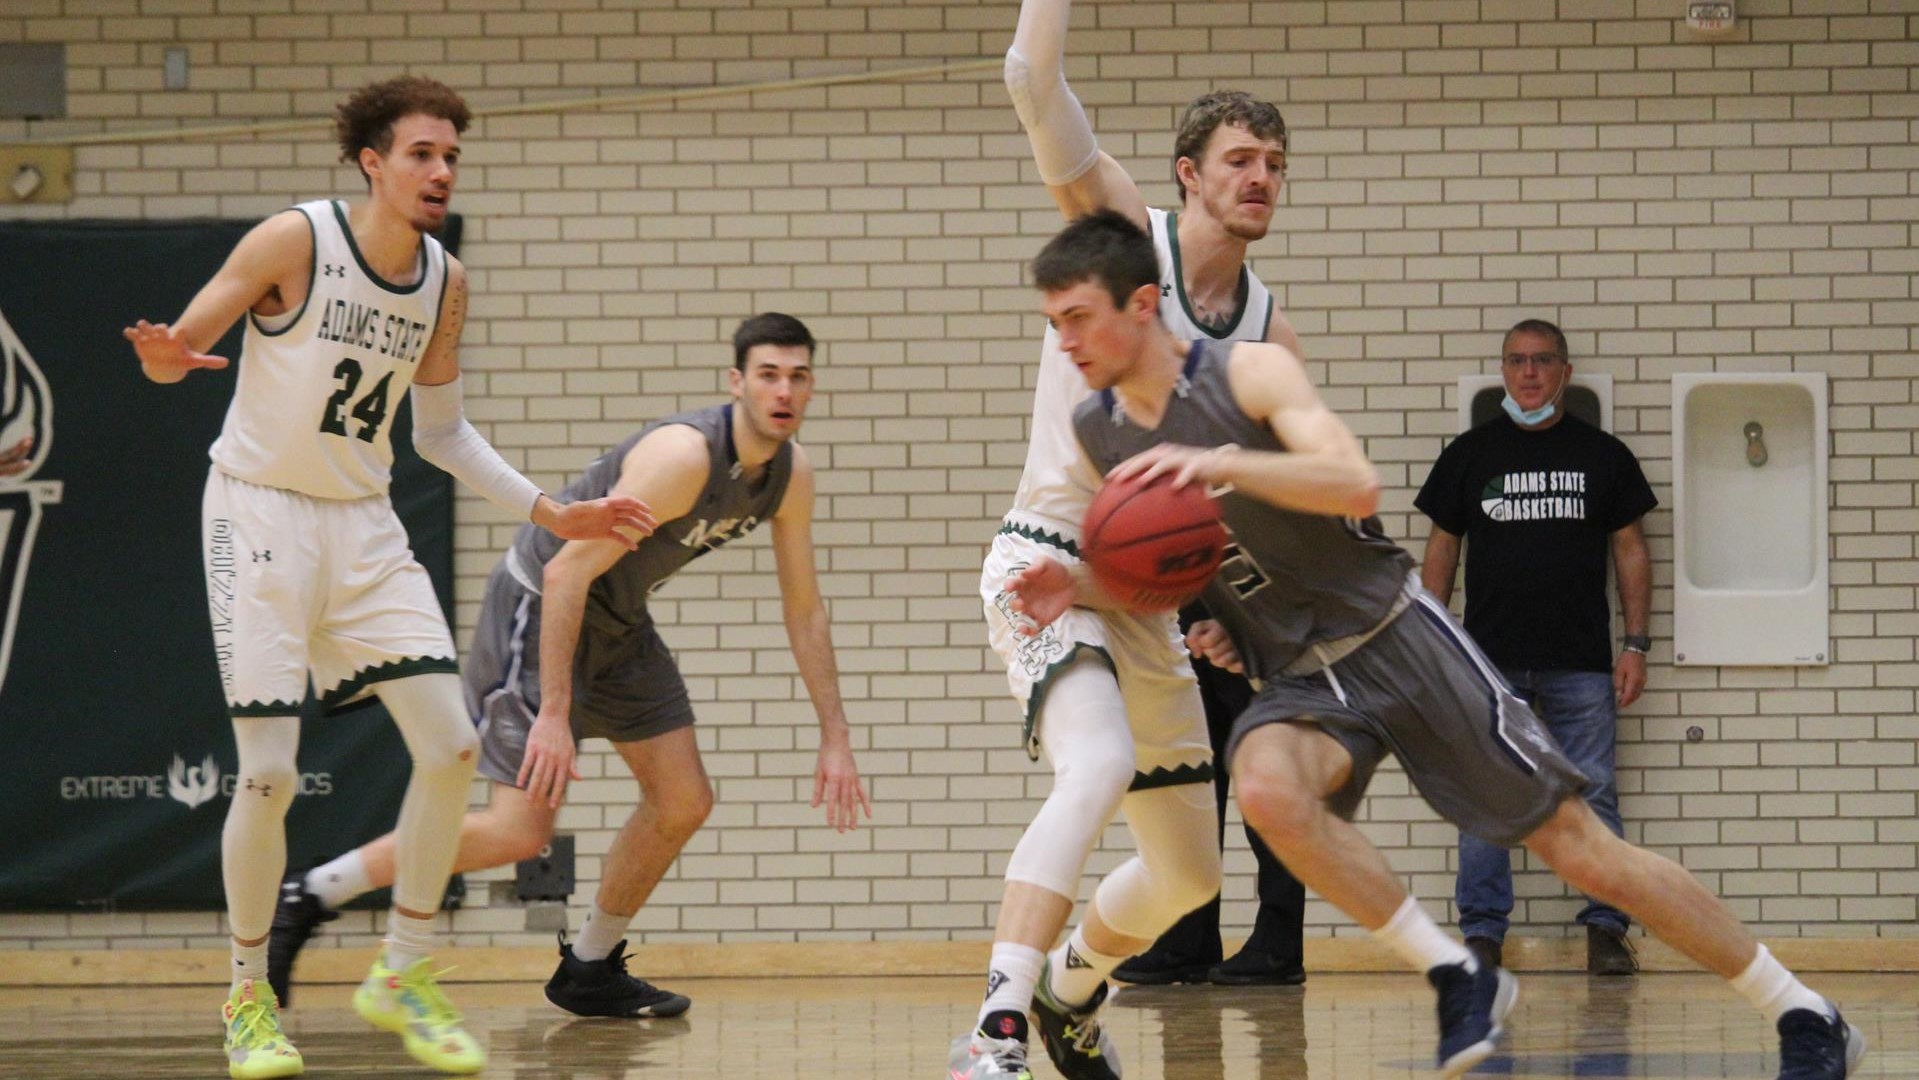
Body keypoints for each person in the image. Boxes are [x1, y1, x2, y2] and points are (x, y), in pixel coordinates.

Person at [1007, 210, 1866, 1080]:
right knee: (1266, 788)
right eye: (1053, 323)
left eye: (1077, 317)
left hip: (1390, 630)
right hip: (1298, 673)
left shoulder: (1249, 371)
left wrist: (1220, 463)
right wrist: (1074, 586)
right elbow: (1157, 565)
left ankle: (1799, 1007)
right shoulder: (1096, 434)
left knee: (1581, 851)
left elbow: (1351, 479)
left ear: (1143, 302)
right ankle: (1455, 972)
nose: (1064, 340)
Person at [124, 76, 650, 1079]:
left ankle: (401, 970)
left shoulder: (445, 281)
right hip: (257, 511)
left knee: (452, 750)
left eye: (451, 155)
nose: (441, 171)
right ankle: (245, 997)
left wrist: (554, 510)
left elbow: (442, 434)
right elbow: (181, 347)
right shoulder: (295, 241)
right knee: (270, 773)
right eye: (421, 154)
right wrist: (164, 359)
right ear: (373, 161)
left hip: (363, 524)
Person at [270, 313, 870, 1023]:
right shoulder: (683, 459)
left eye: (798, 376)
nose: (784, 390)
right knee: (521, 830)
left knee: (683, 799)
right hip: (541, 602)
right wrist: (554, 713)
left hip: (618, 622)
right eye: (768, 374)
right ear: (737, 383)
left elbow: (804, 609)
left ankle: (589, 966)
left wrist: (835, 736)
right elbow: (563, 575)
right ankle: (310, 893)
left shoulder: (788, 477)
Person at [956, 0, 1307, 1076]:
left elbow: (1269, 502)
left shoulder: (1262, 327)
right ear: (1187, 174)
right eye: (1238, 159)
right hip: (1046, 560)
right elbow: (1030, 74)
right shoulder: (1121, 231)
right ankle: (998, 1021)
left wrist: (1232, 618)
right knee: (1095, 760)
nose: (1259, 177)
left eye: (1274, 164)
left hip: (1147, 594)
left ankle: (1068, 992)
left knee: (1188, 875)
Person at [1416, 319, 1654, 976]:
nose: (1528, 373)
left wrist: (1634, 643)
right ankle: (1483, 933)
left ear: (1564, 372)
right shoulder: (1469, 454)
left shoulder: (1603, 455)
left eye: (1542, 360)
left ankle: (1606, 928)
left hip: (1580, 662)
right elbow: (1440, 550)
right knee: (1487, 799)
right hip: (1486, 667)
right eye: (1517, 361)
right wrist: (1433, 645)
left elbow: (1631, 550)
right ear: (1502, 372)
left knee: (1594, 794)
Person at [1110, 600, 1307, 987]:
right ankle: (1187, 941)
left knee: (1267, 794)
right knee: (1193, 790)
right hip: (1183, 634)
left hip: (1255, 636)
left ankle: (1279, 946)